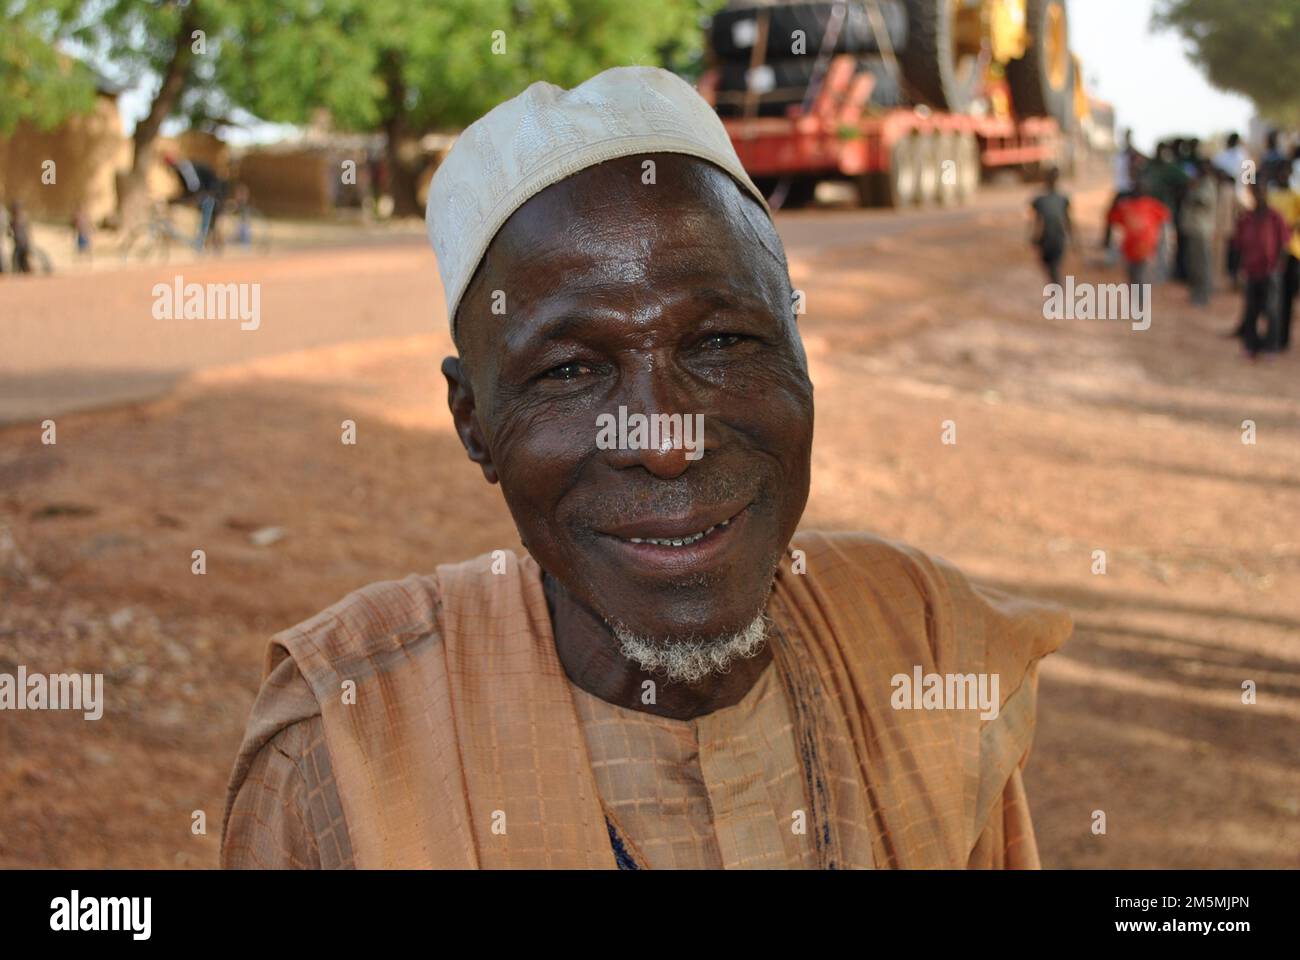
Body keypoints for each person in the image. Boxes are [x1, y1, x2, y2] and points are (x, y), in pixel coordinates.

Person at [221, 67, 1072, 870]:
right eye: (570, 371)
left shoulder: (922, 638)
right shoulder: (346, 752)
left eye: (723, 342)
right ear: (473, 422)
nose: (666, 443)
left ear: (799, 354)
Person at [1233, 180, 1292, 358]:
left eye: (1262, 192)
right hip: (1252, 270)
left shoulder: (1275, 217)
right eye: (1256, 192)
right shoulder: (1247, 218)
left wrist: (1277, 267)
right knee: (1251, 309)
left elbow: (1284, 244)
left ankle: (1271, 347)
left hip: (1270, 271)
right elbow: (1239, 245)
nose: (1259, 196)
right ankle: (1250, 346)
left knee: (1272, 310)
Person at [1107, 183, 1171, 307]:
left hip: (1139, 248)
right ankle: (1138, 303)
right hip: (1136, 248)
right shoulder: (1144, 205)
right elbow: (1165, 217)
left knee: (1137, 276)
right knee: (1135, 276)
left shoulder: (1135, 206)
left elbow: (1112, 218)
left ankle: (1139, 304)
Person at [1266, 153, 1300, 352]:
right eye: (1281, 171)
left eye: (1287, 171)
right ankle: (1271, 335)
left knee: (1286, 297)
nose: (1283, 174)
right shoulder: (1270, 195)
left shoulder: (1296, 196)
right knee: (1271, 297)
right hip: (1270, 252)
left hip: (1291, 252)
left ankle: (1282, 339)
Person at [162, 152, 227, 251]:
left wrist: (181, 199)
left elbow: (194, 186)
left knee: (207, 222)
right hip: (208, 193)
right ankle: (209, 243)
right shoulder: (183, 168)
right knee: (208, 222)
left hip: (211, 194)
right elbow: (189, 188)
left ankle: (205, 244)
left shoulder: (184, 168)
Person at [1181, 159, 1219, 306]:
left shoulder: (1208, 184)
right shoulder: (1199, 182)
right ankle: (1197, 292)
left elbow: (1203, 201)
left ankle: (1203, 294)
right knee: (1195, 264)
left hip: (1202, 230)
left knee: (1202, 264)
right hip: (1194, 228)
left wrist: (1190, 191)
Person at [1030, 167, 1072, 287]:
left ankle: (1056, 290)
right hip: (1051, 238)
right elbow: (1068, 221)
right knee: (1052, 267)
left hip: (1051, 239)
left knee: (1053, 268)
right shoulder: (1060, 199)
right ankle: (1056, 288)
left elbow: (1068, 221)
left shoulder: (1043, 200)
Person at [8, 201, 32, 274]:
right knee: (20, 262)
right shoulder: (14, 220)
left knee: (21, 262)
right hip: (19, 244)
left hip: (22, 244)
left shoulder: (21, 219)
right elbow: (9, 232)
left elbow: (27, 233)